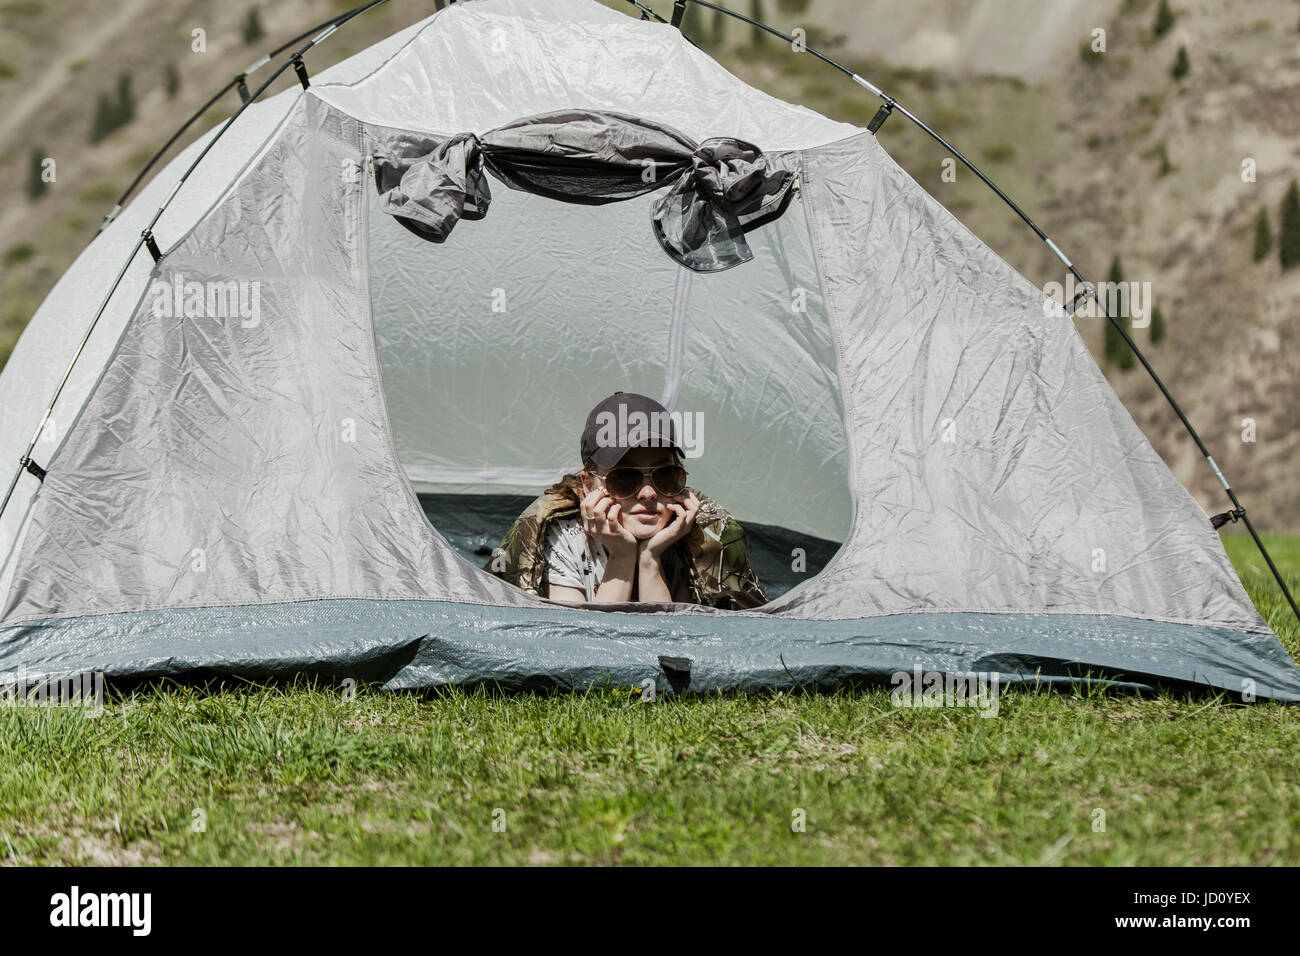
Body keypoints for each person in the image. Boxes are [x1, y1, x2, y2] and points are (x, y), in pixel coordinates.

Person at [485, 391, 766, 609]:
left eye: (665, 476)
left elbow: (674, 644)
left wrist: (650, 559)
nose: (648, 493)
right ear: (589, 484)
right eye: (625, 478)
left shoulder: (689, 533)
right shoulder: (560, 537)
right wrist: (622, 555)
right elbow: (582, 650)